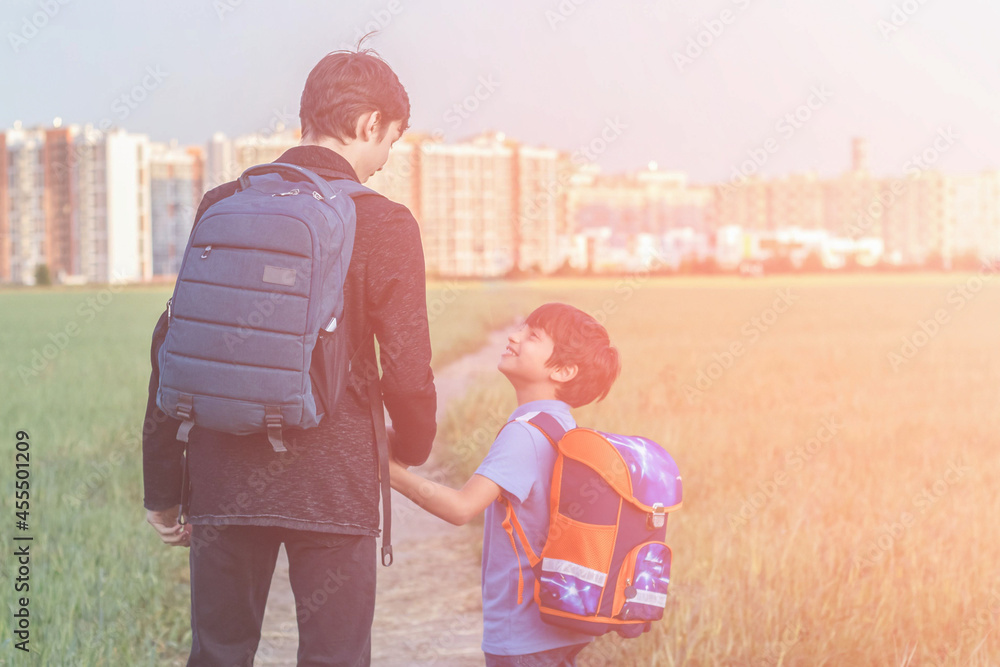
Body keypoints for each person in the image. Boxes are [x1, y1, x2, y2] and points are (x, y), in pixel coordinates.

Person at [142, 48, 437, 667]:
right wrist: (407, 449)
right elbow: (408, 369)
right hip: (334, 483)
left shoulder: (223, 202)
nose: (385, 161)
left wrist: (163, 488)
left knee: (219, 654)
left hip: (224, 474)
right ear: (368, 125)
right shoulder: (384, 221)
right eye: (391, 141)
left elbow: (175, 343)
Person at [389, 302, 621, 667]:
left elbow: (461, 508)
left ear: (563, 370)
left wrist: (388, 472)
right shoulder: (563, 427)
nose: (513, 337)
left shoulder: (525, 435)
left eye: (532, 336)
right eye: (519, 328)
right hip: (560, 625)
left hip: (521, 633)